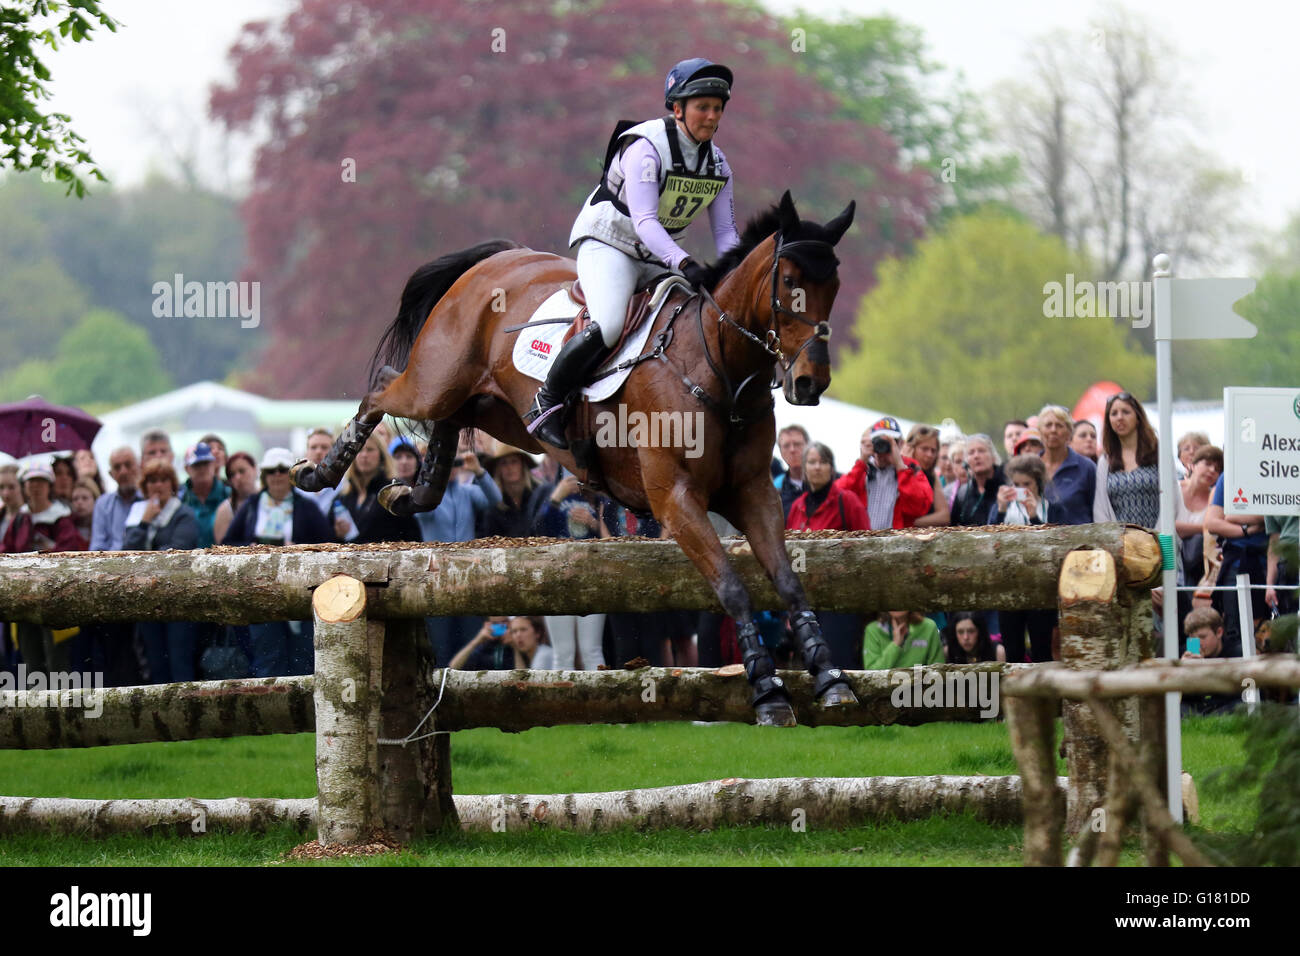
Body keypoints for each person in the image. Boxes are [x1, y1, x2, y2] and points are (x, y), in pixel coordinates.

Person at [527, 57, 741, 448]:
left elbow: (726, 232)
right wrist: (685, 262)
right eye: (702, 108)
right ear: (677, 109)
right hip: (610, 244)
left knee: (693, 323)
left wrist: (737, 273)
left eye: (718, 108)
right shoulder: (646, 149)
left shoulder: (719, 165)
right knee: (610, 324)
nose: (712, 117)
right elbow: (644, 220)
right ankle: (547, 401)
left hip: (657, 257)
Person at [224, 448, 336, 677]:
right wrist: (250, 549)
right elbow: (228, 543)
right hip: (260, 594)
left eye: (282, 470)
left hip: (301, 595)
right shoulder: (253, 505)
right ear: (264, 475)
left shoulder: (307, 507)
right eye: (271, 471)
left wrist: (301, 549)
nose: (277, 476)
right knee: (267, 659)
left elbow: (330, 545)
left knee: (302, 658)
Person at [416, 435, 502, 666]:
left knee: (469, 643)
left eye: (453, 463)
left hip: (467, 576)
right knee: (440, 646)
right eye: (445, 464)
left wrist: (479, 471)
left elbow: (495, 498)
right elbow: (421, 509)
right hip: (436, 579)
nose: (450, 469)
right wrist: (434, 474)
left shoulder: (466, 492)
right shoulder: (427, 498)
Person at [786, 442, 868, 669]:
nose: (817, 467)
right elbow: (789, 556)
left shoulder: (847, 500)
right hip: (805, 601)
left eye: (823, 462)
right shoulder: (797, 507)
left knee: (839, 663)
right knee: (808, 666)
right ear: (804, 468)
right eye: (812, 462)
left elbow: (867, 549)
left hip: (840, 600)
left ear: (832, 468)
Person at [3, 460, 84, 675]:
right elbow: (6, 550)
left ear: (49, 485)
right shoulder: (20, 518)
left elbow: (69, 552)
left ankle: (61, 707)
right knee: (31, 662)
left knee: (57, 661)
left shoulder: (60, 518)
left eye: (40, 481)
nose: (35, 486)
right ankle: (37, 707)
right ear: (25, 486)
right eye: (31, 481)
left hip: (54, 598)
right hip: (23, 599)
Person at [124, 459, 200, 683]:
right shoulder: (139, 513)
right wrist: (145, 522)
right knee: (156, 663)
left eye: (163, 480)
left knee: (179, 662)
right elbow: (126, 551)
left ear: (172, 483)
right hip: (147, 601)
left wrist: (145, 559)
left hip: (177, 600)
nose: (158, 485)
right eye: (152, 481)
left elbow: (178, 550)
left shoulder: (183, 514)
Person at [538, 471, 612, 669]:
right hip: (556, 578)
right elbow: (536, 531)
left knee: (592, 649)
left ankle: (598, 699)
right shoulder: (547, 490)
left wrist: (593, 523)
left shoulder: (600, 495)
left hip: (592, 579)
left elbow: (611, 539)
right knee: (562, 652)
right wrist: (556, 497)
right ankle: (563, 699)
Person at [992, 455, 1060, 662]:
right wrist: (1001, 510)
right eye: (1016, 484)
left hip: (1041, 586)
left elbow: (1053, 543)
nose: (1021, 489)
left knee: (1042, 649)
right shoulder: (1003, 507)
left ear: (1038, 483)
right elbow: (990, 541)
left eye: (1027, 484)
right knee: (1013, 651)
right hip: (1009, 584)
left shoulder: (1052, 507)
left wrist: (1034, 517)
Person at [87, 447, 146, 685]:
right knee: (113, 653)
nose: (124, 472)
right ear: (110, 474)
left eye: (128, 465)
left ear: (138, 466)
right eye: (117, 467)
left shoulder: (149, 499)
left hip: (143, 583)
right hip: (110, 585)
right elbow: (96, 547)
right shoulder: (103, 504)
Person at [1204, 472, 1267, 659]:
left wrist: (1235, 516)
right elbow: (1213, 522)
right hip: (1233, 564)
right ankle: (1239, 685)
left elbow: (1275, 515)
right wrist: (1247, 529)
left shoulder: (1279, 471)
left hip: (1273, 562)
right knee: (1232, 628)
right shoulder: (1230, 475)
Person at [835, 416, 933, 530]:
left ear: (900, 444)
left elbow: (919, 507)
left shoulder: (910, 469)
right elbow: (837, 498)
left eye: (891, 442)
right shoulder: (862, 469)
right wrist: (861, 462)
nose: (883, 448)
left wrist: (901, 468)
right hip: (862, 541)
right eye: (878, 441)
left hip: (895, 542)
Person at [336, 433, 421, 545]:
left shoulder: (393, 491)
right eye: (360, 450)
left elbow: (413, 536)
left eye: (370, 450)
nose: (364, 455)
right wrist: (338, 533)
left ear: (381, 455)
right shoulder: (344, 496)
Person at [1093, 391, 1160, 529]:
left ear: (1138, 417)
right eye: (1114, 414)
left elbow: (1172, 500)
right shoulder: (1105, 461)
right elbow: (1100, 509)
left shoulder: (1158, 454)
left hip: (1158, 540)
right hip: (1121, 544)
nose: (1120, 417)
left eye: (1126, 412)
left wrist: (1157, 537)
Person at [1035, 405, 1096, 525]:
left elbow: (1098, 512)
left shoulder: (1086, 468)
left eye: (1059, 425)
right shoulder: (1030, 467)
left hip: (1079, 541)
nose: (1053, 430)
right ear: (1040, 432)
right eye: (1048, 425)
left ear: (1069, 433)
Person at [479, 443, 549, 538]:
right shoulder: (493, 502)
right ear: (498, 469)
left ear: (522, 465)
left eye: (514, 461)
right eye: (504, 463)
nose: (509, 467)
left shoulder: (540, 493)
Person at [1179, 607, 1236, 716]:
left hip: (1225, 705)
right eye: (1192, 638)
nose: (1198, 643)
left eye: (1202, 637)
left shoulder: (1235, 652)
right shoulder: (1184, 654)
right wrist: (1183, 671)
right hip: (1197, 708)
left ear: (1219, 632)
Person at [181, 442, 230, 549]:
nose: (202, 469)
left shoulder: (229, 496)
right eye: (197, 465)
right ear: (187, 468)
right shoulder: (179, 498)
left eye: (206, 463)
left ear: (214, 464)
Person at [950, 434, 1005, 526]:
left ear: (993, 457)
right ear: (966, 462)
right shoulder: (963, 493)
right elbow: (953, 527)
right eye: (971, 453)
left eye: (981, 451)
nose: (976, 456)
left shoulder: (1006, 485)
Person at [862, 611, 944, 669]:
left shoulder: (929, 626)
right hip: (882, 691)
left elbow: (938, 668)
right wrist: (895, 644)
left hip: (919, 689)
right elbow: (871, 671)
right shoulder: (872, 629)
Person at [905, 424, 951, 527]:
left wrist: (911, 524)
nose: (929, 455)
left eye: (933, 450)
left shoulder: (932, 476)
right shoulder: (897, 471)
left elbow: (944, 516)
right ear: (911, 448)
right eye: (924, 449)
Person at [212, 452, 260, 545]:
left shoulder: (270, 499)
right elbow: (222, 549)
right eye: (232, 474)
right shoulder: (225, 510)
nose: (237, 477)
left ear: (255, 469)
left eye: (242, 471)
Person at [773, 425, 810, 520]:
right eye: (786, 446)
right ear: (780, 451)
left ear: (808, 446)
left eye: (797, 444)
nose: (792, 450)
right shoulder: (775, 489)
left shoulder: (831, 482)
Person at [69, 478, 98, 546]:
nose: (79, 502)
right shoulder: (66, 527)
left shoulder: (104, 526)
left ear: (96, 500)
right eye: (75, 499)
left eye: (85, 498)